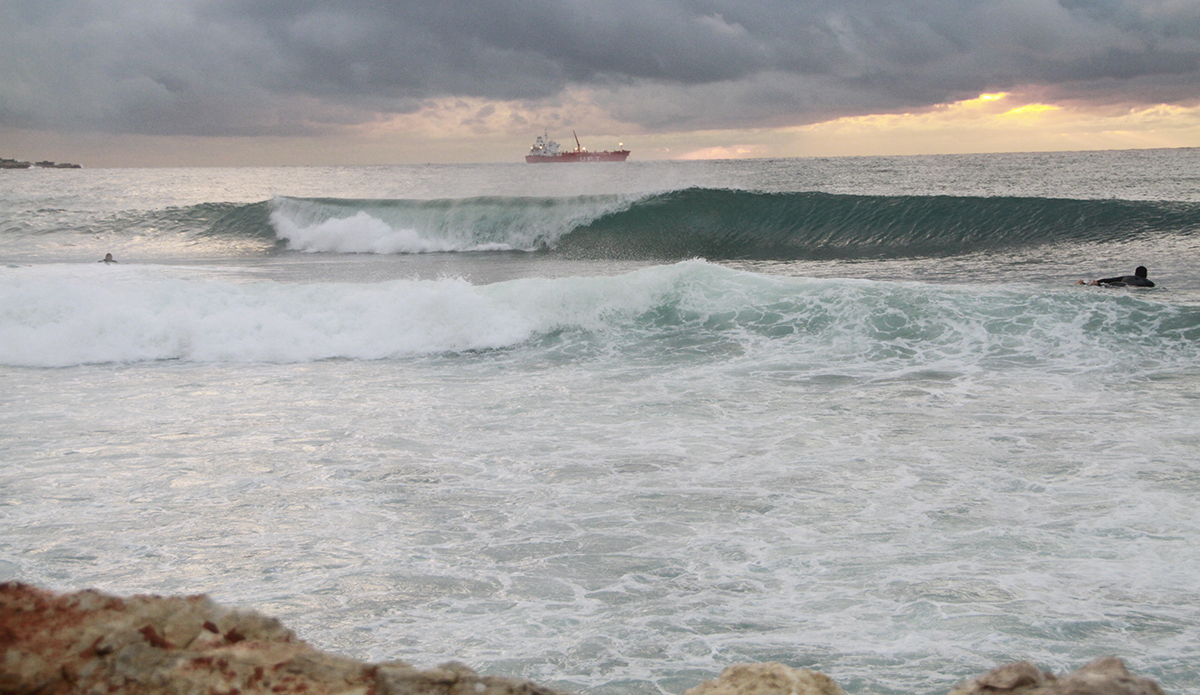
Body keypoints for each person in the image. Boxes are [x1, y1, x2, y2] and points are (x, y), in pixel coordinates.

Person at [1076, 266, 1154, 288]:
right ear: (1146, 274)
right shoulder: (1148, 282)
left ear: (1135, 273)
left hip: (1117, 283)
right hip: (1124, 286)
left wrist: (1099, 281)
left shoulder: (1128, 277)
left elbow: (1109, 280)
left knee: (1102, 285)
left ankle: (1084, 283)